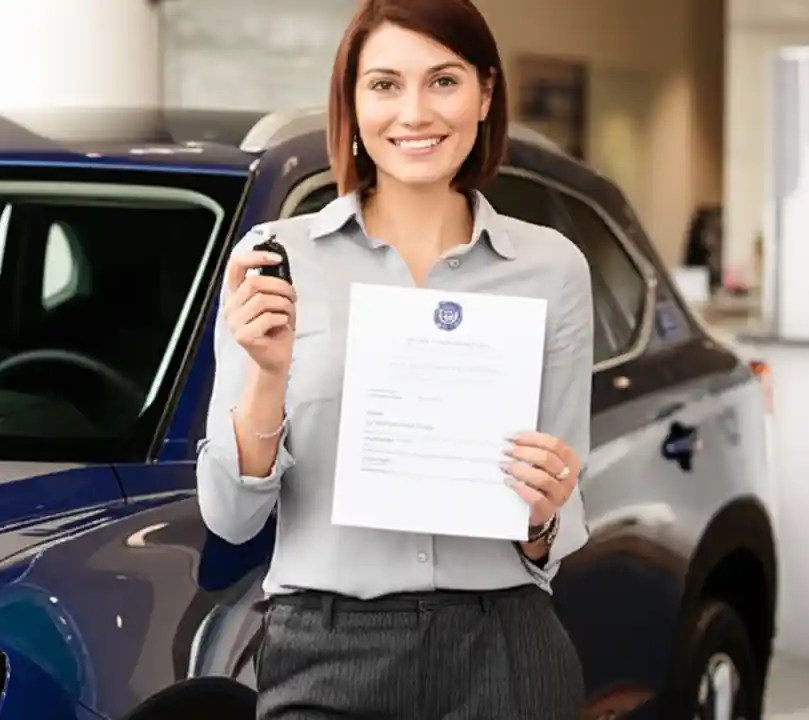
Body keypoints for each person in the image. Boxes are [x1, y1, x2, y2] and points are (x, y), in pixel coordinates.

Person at [195, 0, 594, 718]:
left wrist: (542, 518)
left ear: (485, 93)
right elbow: (228, 519)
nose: (414, 112)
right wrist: (268, 373)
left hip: (504, 646)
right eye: (384, 84)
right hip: (327, 650)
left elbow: (558, 524)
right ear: (351, 101)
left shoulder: (552, 268)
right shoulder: (278, 263)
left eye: (443, 81)